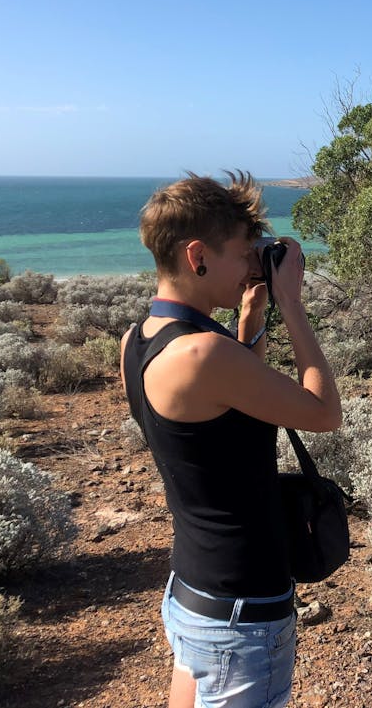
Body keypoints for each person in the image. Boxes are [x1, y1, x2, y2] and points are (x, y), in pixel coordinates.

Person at [120, 171, 341, 708]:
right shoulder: (203, 354)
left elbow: (226, 407)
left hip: (195, 592)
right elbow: (324, 412)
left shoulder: (140, 340)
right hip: (242, 613)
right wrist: (292, 304)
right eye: (243, 254)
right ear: (197, 256)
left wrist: (253, 315)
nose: (249, 266)